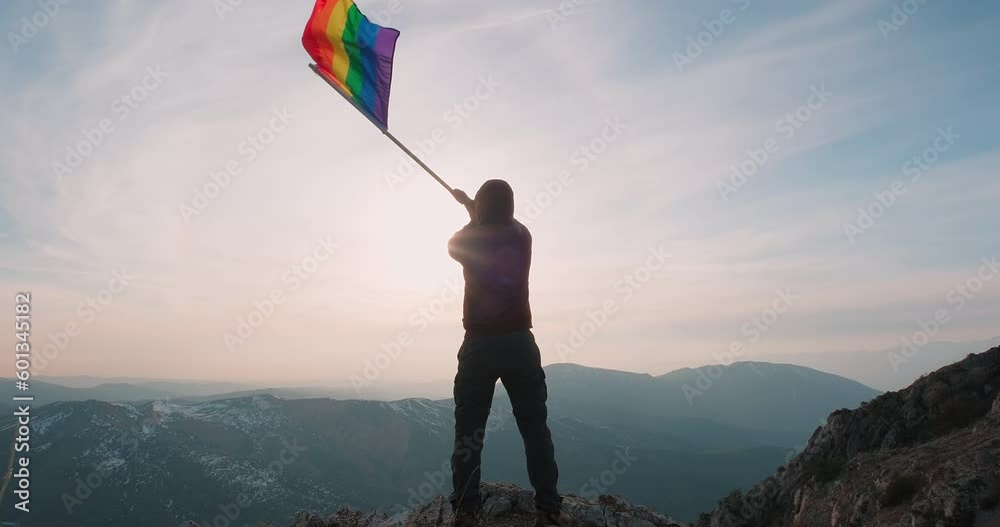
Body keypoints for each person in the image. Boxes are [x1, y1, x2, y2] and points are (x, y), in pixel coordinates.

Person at [446, 180, 570, 527]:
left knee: (469, 433)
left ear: (483, 209)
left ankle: (467, 514)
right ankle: (549, 510)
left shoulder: (471, 238)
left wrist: (471, 214)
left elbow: (454, 245)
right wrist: (475, 209)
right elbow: (494, 226)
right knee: (535, 429)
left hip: (479, 345)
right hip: (519, 344)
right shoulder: (522, 236)